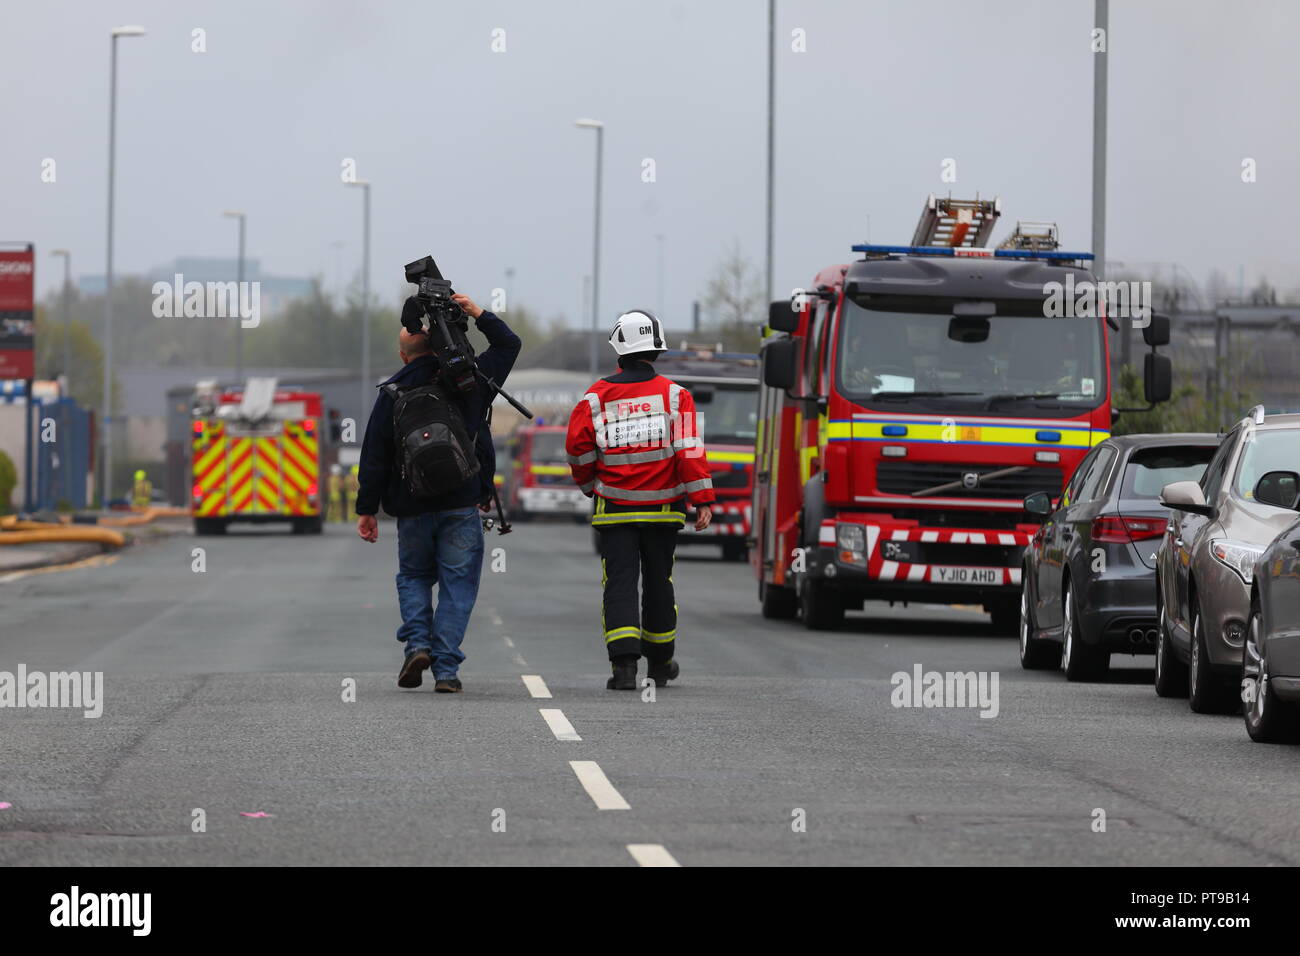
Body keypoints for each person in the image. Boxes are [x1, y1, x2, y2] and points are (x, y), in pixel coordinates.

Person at [355, 293, 520, 693]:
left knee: (413, 575)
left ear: (403, 354)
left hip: (411, 506)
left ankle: (417, 645)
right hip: (462, 501)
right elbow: (509, 344)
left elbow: (374, 454)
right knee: (457, 583)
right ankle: (446, 671)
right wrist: (475, 312)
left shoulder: (391, 392)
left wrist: (367, 509)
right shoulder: (471, 381)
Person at [565, 309, 714, 691]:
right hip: (664, 512)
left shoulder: (595, 397)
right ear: (657, 350)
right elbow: (689, 452)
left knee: (619, 583)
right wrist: (702, 500)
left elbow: (578, 449)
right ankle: (661, 665)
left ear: (618, 348)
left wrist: (589, 486)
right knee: (659, 582)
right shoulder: (676, 396)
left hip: (614, 510)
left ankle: (625, 669)